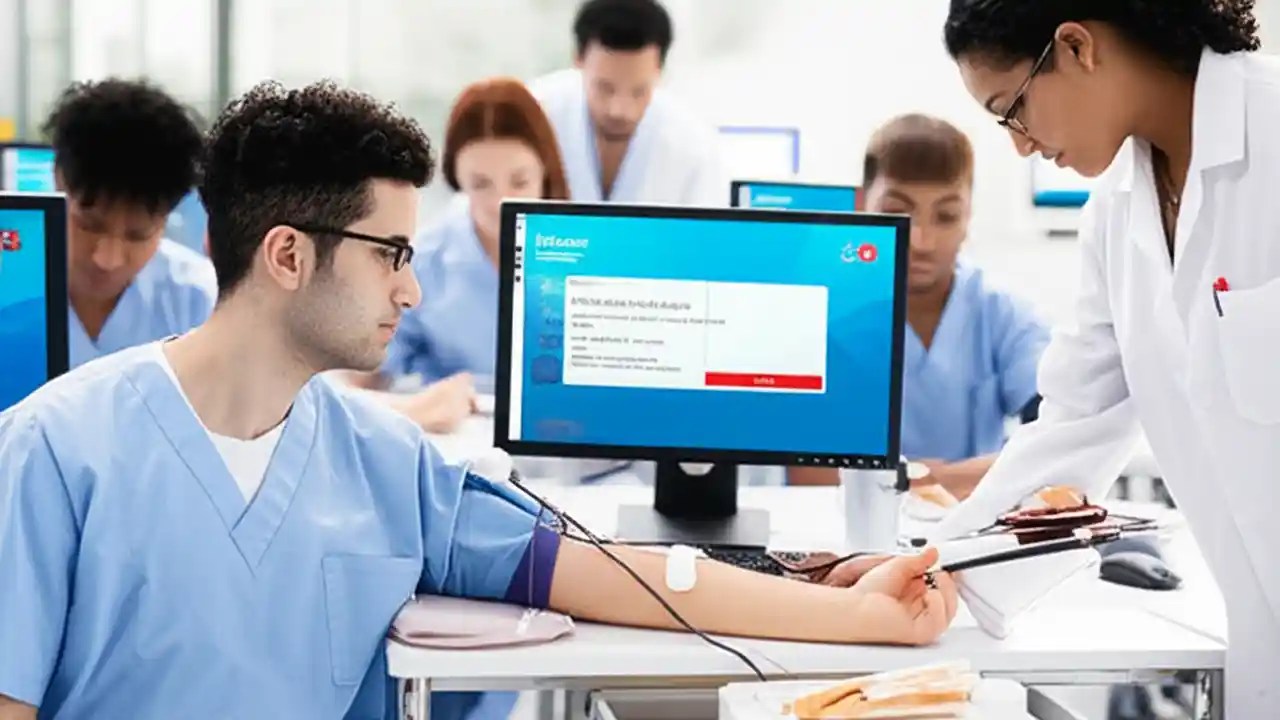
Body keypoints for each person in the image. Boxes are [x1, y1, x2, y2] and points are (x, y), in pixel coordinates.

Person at [0, 79, 957, 720]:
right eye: (390, 255)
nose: (411, 290)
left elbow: (619, 575)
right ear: (288, 255)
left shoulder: (388, 466)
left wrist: (864, 616)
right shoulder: (54, 451)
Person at [935, 1, 1277, 714]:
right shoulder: (1116, 214)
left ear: (1076, 47)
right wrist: (938, 570)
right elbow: (1073, 428)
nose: (1021, 146)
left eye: (1012, 110)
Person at [790, 115, 1050, 500]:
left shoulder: (1004, 317)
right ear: (863, 206)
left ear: (968, 217)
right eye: (898, 211)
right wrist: (943, 482)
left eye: (946, 216)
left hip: (973, 527)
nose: (922, 241)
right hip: (849, 528)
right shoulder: (824, 319)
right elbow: (811, 477)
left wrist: (908, 482)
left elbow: (1052, 447)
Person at [369, 77, 570, 436]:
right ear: (457, 180)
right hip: (455, 445)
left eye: (520, 181)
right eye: (480, 184)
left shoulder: (591, 251)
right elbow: (366, 377)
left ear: (545, 171)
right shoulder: (424, 262)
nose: (502, 202)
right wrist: (419, 405)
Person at [44, 78, 216, 368]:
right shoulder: (11, 287)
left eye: (138, 235)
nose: (107, 259)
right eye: (89, 225)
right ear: (59, 179)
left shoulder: (200, 301)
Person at [530, 0, 724, 206]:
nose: (620, 110)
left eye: (639, 91)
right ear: (578, 59)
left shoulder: (694, 145)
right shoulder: (533, 115)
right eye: (605, 88)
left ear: (660, 70)